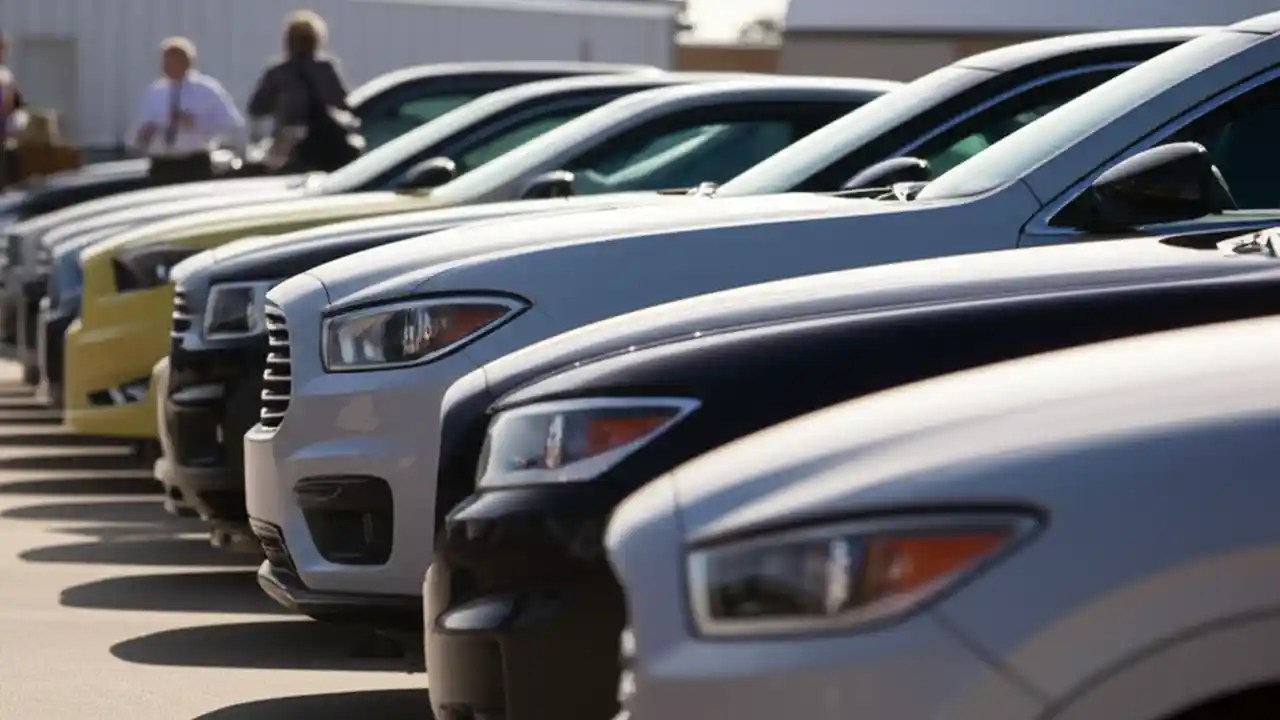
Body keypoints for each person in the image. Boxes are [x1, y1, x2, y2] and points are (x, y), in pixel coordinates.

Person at [248, 10, 360, 173]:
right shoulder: (326, 69)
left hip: (287, 144)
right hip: (323, 144)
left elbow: (256, 108)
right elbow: (343, 103)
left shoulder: (278, 73)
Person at [130, 37, 245, 183]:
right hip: (161, 163)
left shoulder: (207, 89)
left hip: (193, 162)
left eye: (172, 61)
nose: (165, 65)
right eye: (164, 61)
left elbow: (231, 123)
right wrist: (143, 133)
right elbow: (137, 130)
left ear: (187, 62)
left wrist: (195, 123)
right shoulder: (155, 92)